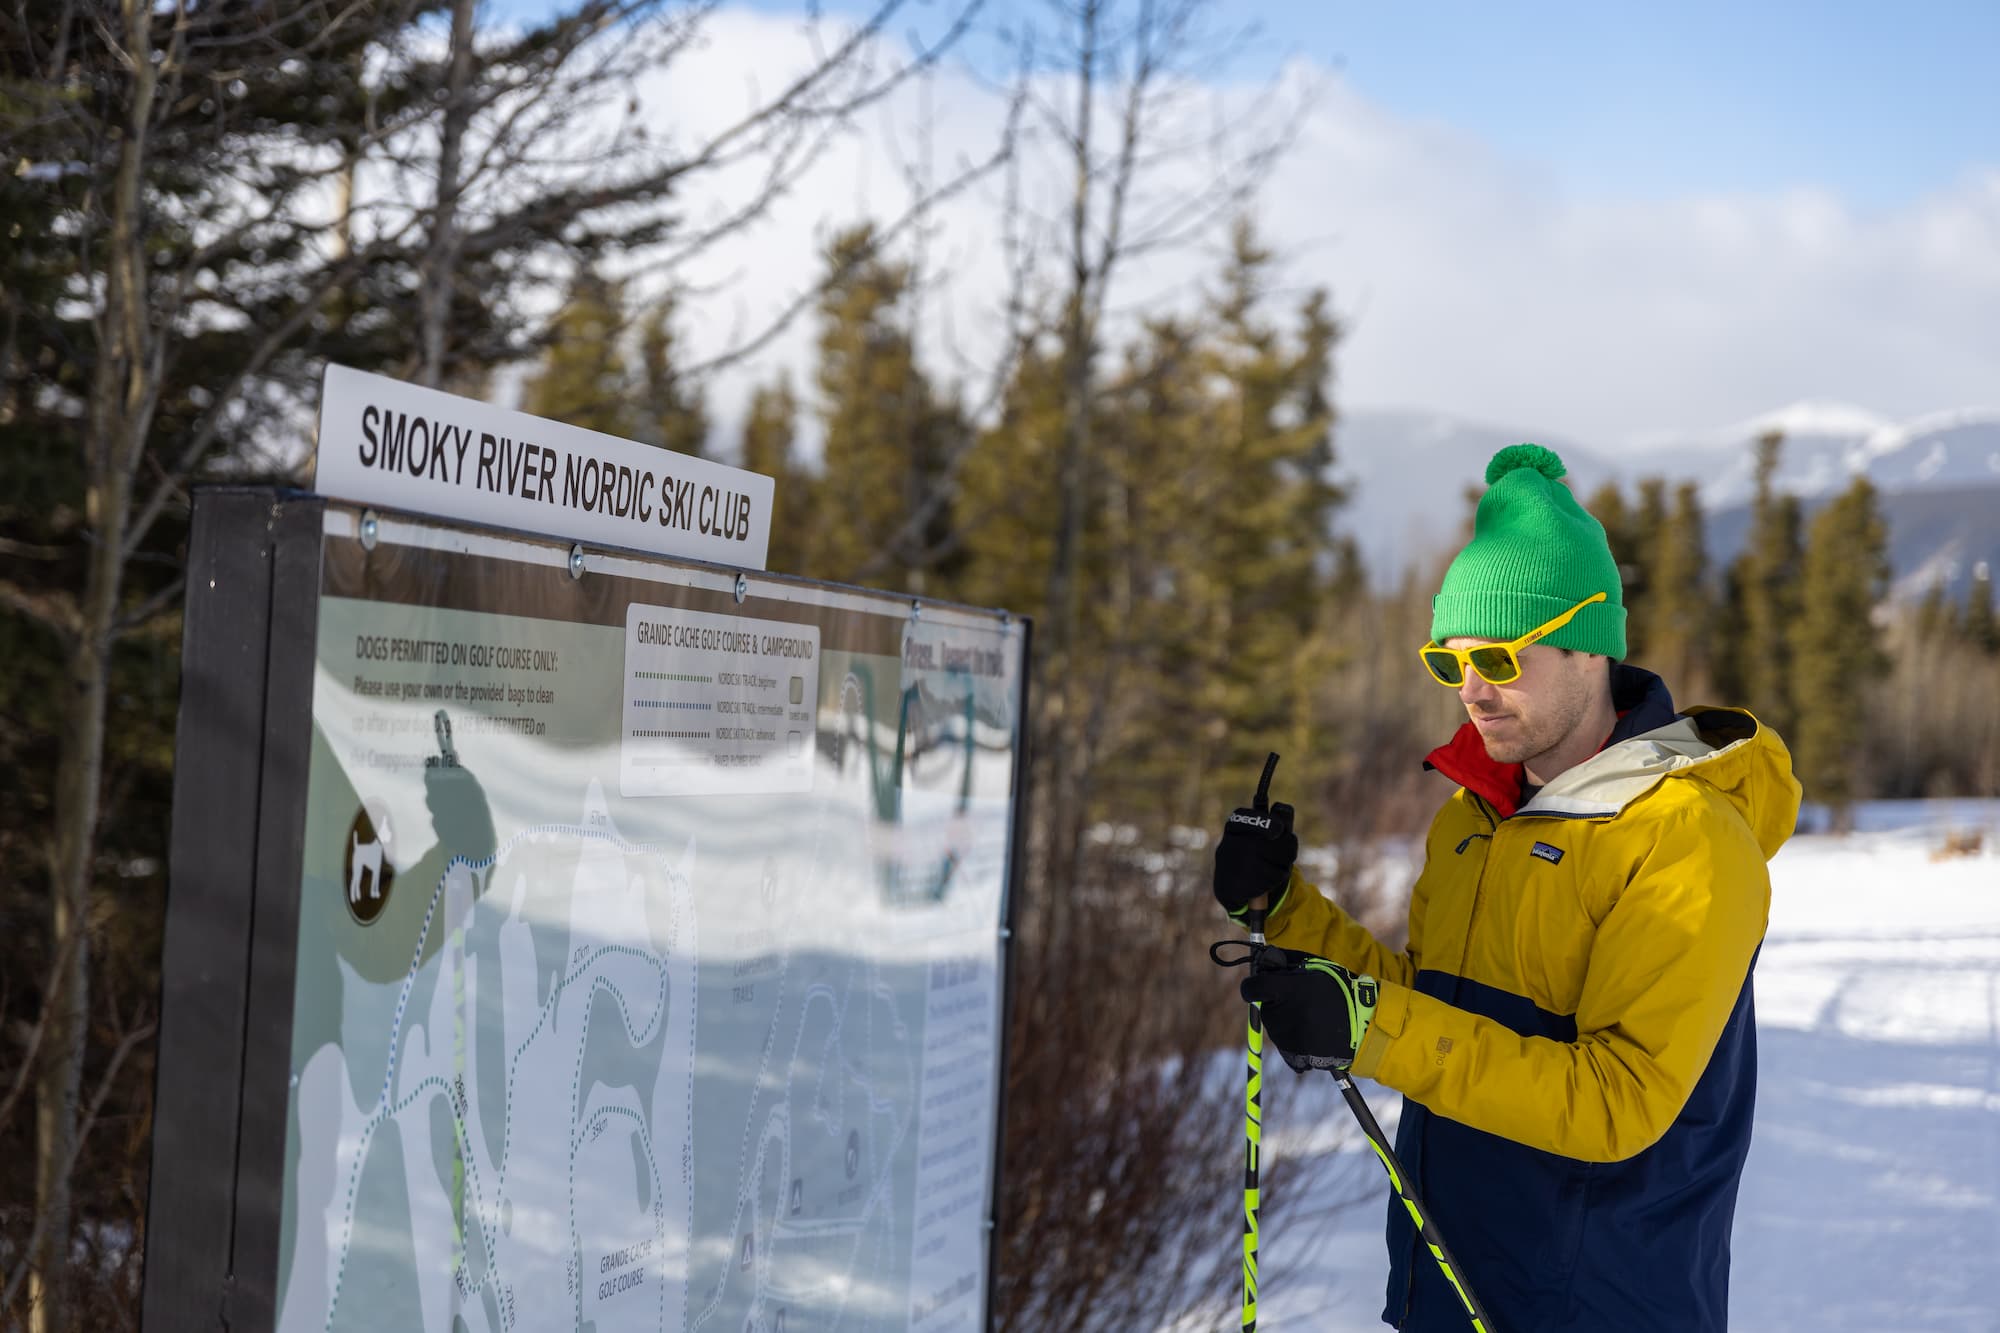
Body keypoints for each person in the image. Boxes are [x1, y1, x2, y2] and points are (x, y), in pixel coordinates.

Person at [1212, 443, 1802, 1333]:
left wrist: (1373, 1028)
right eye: (1449, 663)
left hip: (1598, 1310)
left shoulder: (1683, 837)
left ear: (1588, 645)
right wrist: (1285, 909)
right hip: (1450, 1284)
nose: (1472, 691)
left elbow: (1619, 1098)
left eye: (1497, 657)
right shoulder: (1475, 819)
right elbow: (1434, 1006)